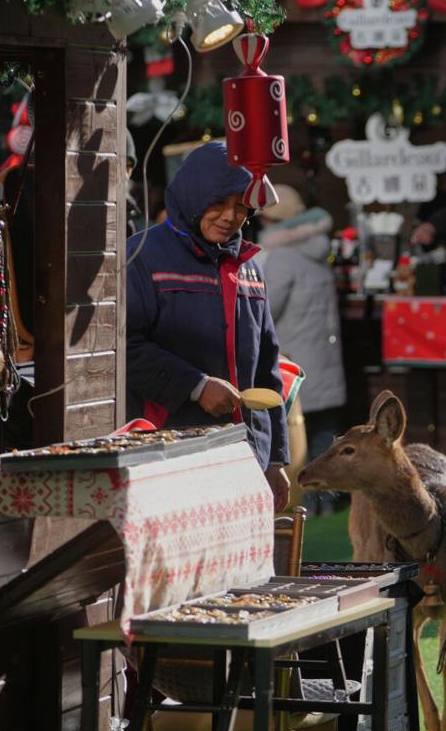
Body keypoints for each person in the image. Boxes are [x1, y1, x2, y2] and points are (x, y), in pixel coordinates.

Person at [125, 140, 290, 510]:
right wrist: (196, 386)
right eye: (219, 203)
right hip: (170, 455)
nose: (230, 217)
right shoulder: (141, 257)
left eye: (241, 207)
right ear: (193, 195)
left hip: (246, 456)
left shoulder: (249, 268)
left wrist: (276, 457)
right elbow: (126, 349)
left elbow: (267, 366)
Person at [258, 185, 346, 514]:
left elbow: (267, 310)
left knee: (299, 439)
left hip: (296, 359)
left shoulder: (281, 257)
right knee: (324, 434)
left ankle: (306, 503)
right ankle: (328, 502)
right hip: (324, 358)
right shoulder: (317, 252)